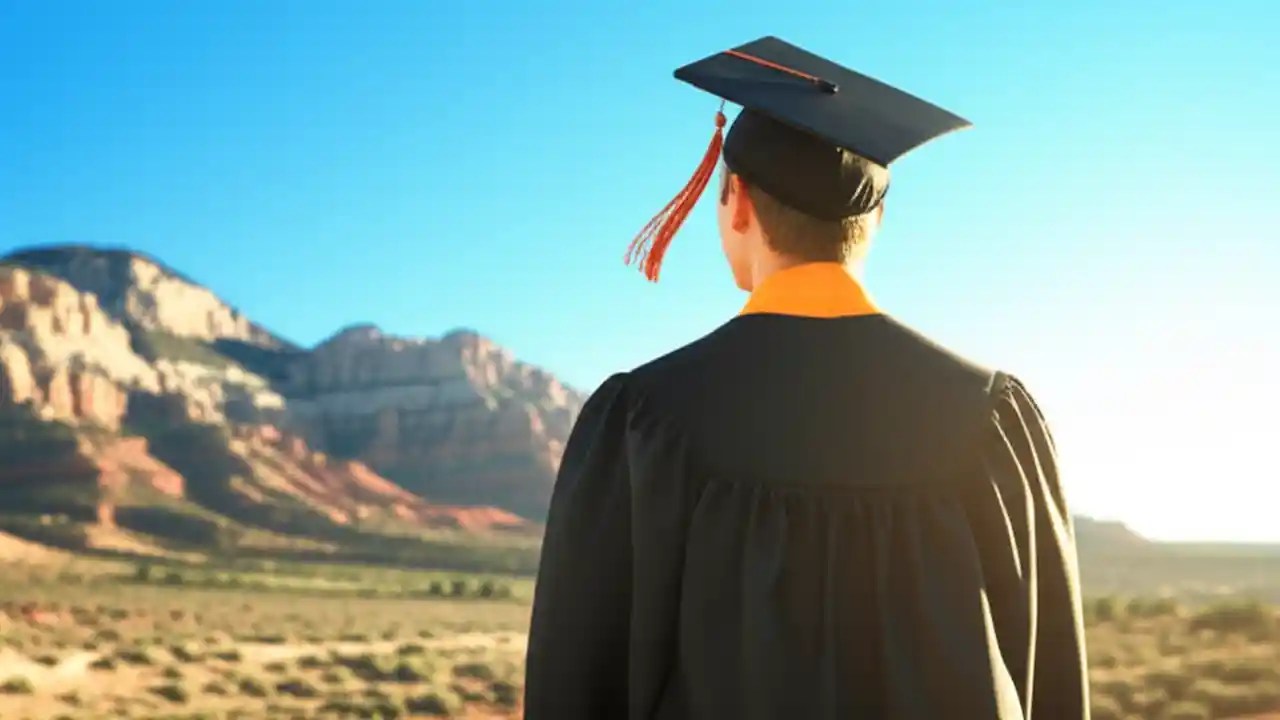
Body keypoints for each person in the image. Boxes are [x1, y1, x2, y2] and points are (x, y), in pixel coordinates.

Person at [524, 36, 1090, 720]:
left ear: (734, 202)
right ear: (875, 221)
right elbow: (1047, 670)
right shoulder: (992, 416)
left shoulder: (644, 417)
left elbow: (578, 684)